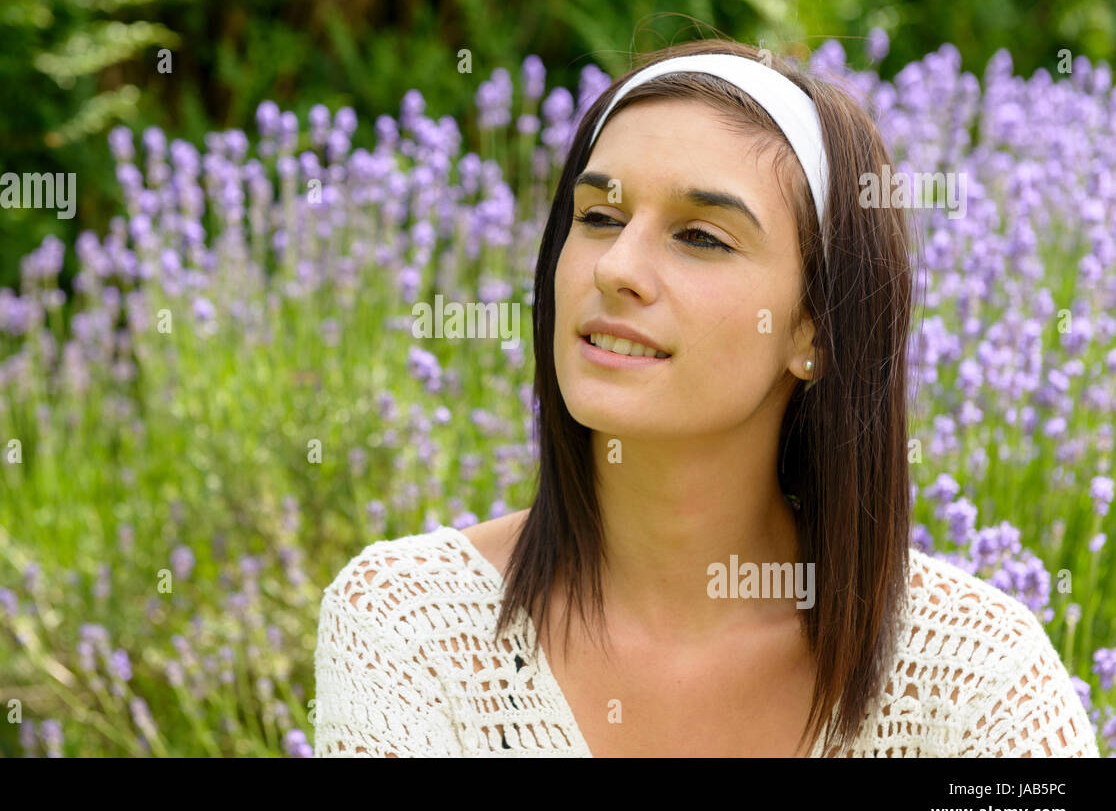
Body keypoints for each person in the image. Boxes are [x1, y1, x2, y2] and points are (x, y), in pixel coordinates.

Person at [312, 38, 1099, 757]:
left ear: (814, 330)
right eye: (598, 215)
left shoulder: (974, 680)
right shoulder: (412, 628)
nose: (616, 266)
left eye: (700, 237)